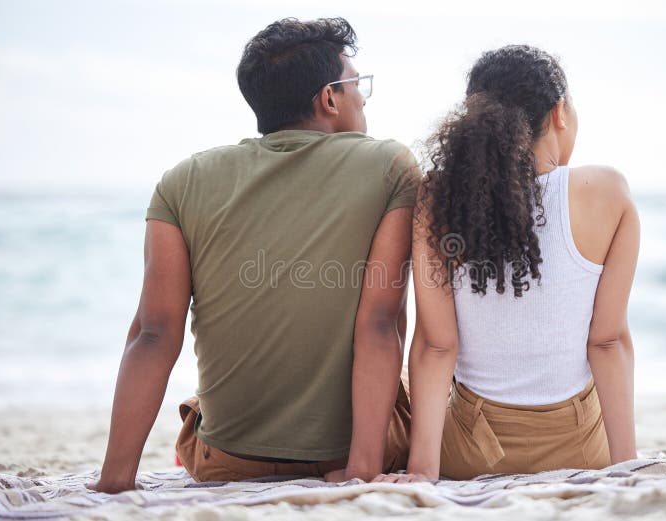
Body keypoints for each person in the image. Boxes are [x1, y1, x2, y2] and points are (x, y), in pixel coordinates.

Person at [89, 17, 420, 493]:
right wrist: (360, 475)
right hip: (351, 453)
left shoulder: (182, 181)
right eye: (355, 84)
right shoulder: (389, 166)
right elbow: (381, 325)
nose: (362, 98)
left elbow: (154, 333)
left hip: (227, 461)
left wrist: (113, 483)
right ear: (329, 97)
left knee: (197, 406)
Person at [374, 45, 666, 482]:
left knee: (401, 384)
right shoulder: (607, 191)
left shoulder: (440, 197)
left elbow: (437, 346)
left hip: (473, 453)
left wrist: (423, 471)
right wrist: (630, 467)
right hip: (582, 448)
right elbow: (607, 343)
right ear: (560, 112)